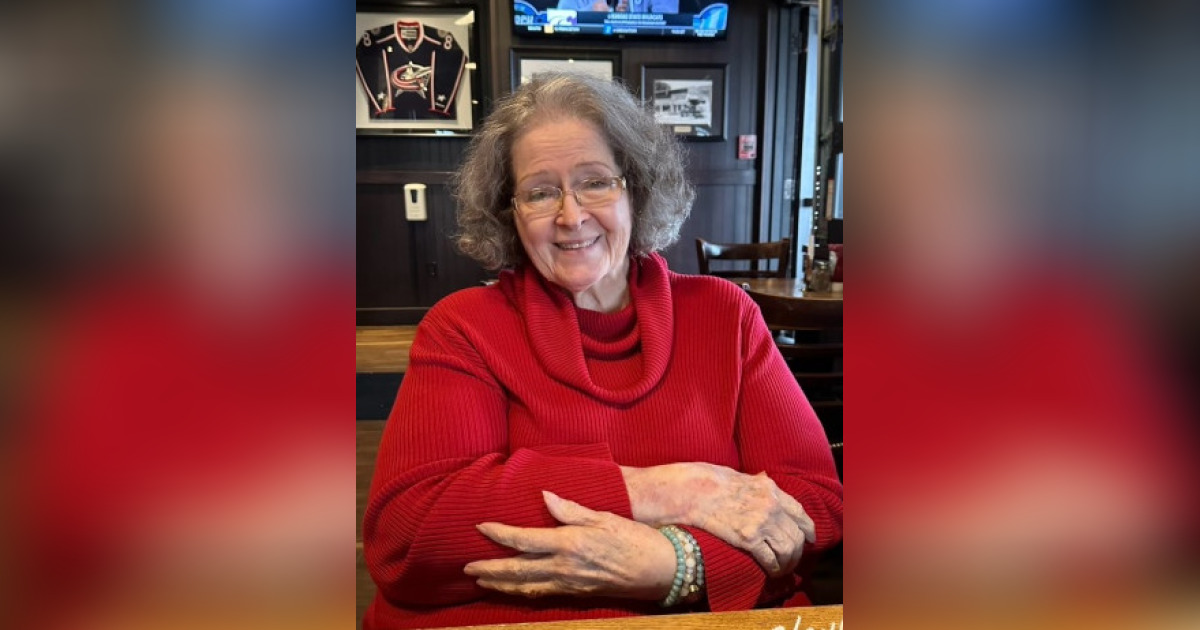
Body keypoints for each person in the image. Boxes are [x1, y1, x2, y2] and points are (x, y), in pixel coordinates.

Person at [361, 73, 843, 629]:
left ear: (636, 190)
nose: (571, 216)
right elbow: (408, 533)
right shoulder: (464, 327)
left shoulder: (725, 314)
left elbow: (814, 505)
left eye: (595, 183)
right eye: (540, 192)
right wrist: (664, 490)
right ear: (509, 212)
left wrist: (675, 564)